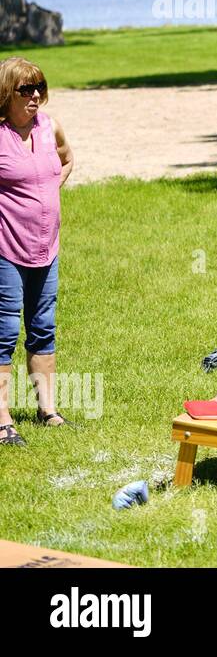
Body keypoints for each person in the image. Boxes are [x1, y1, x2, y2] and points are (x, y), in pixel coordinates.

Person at [0, 59, 74, 445]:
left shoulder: (50, 127)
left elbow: (66, 160)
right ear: (5, 95)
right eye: (25, 90)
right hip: (5, 250)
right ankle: (2, 420)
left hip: (46, 247)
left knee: (43, 328)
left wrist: (45, 194)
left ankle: (48, 410)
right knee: (5, 332)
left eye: (39, 87)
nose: (34, 96)